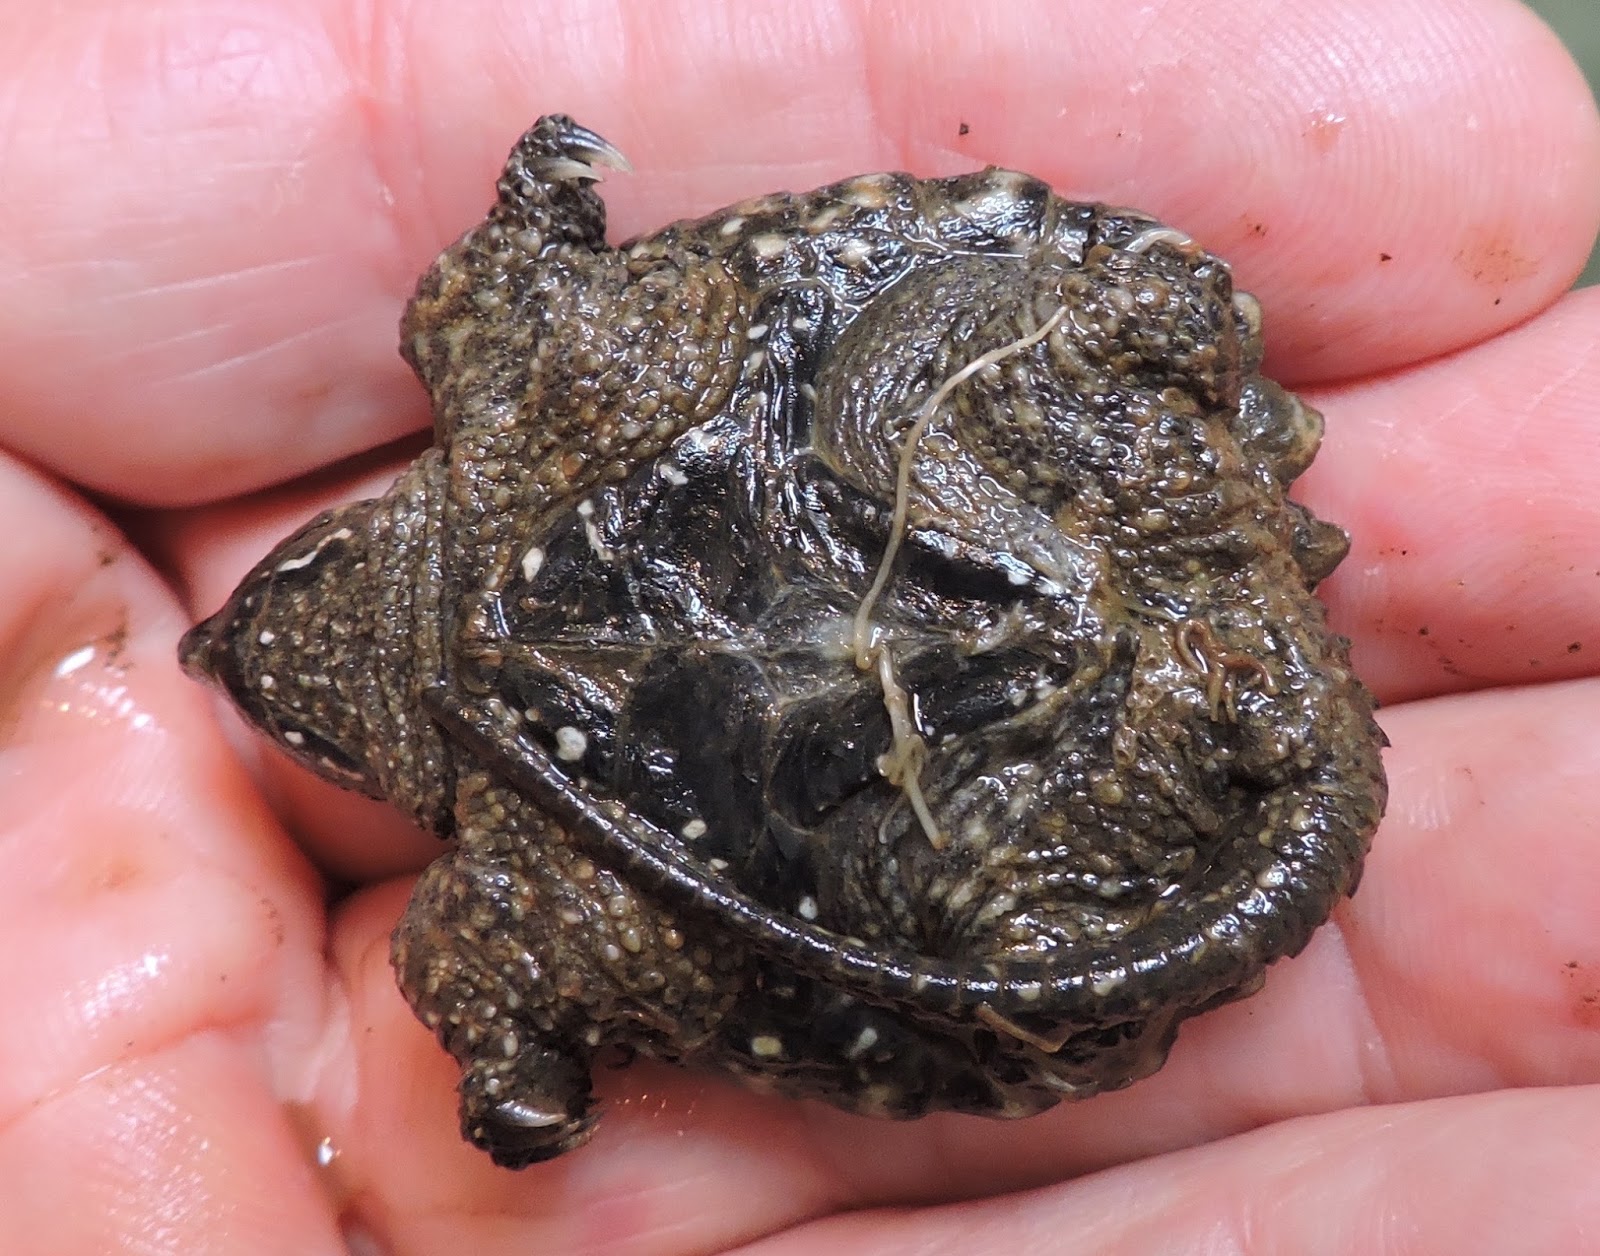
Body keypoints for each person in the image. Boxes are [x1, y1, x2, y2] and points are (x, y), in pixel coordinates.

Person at [1, 1, 1596, 1251]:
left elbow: (491, 1013)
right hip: (1084, 466)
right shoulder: (535, 401)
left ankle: (1144, 792)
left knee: (991, 947)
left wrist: (517, 1076)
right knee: (1108, 343)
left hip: (1086, 831)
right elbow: (494, 298)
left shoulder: (516, 898)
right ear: (366, 528)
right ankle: (1147, 433)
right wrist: (528, 228)